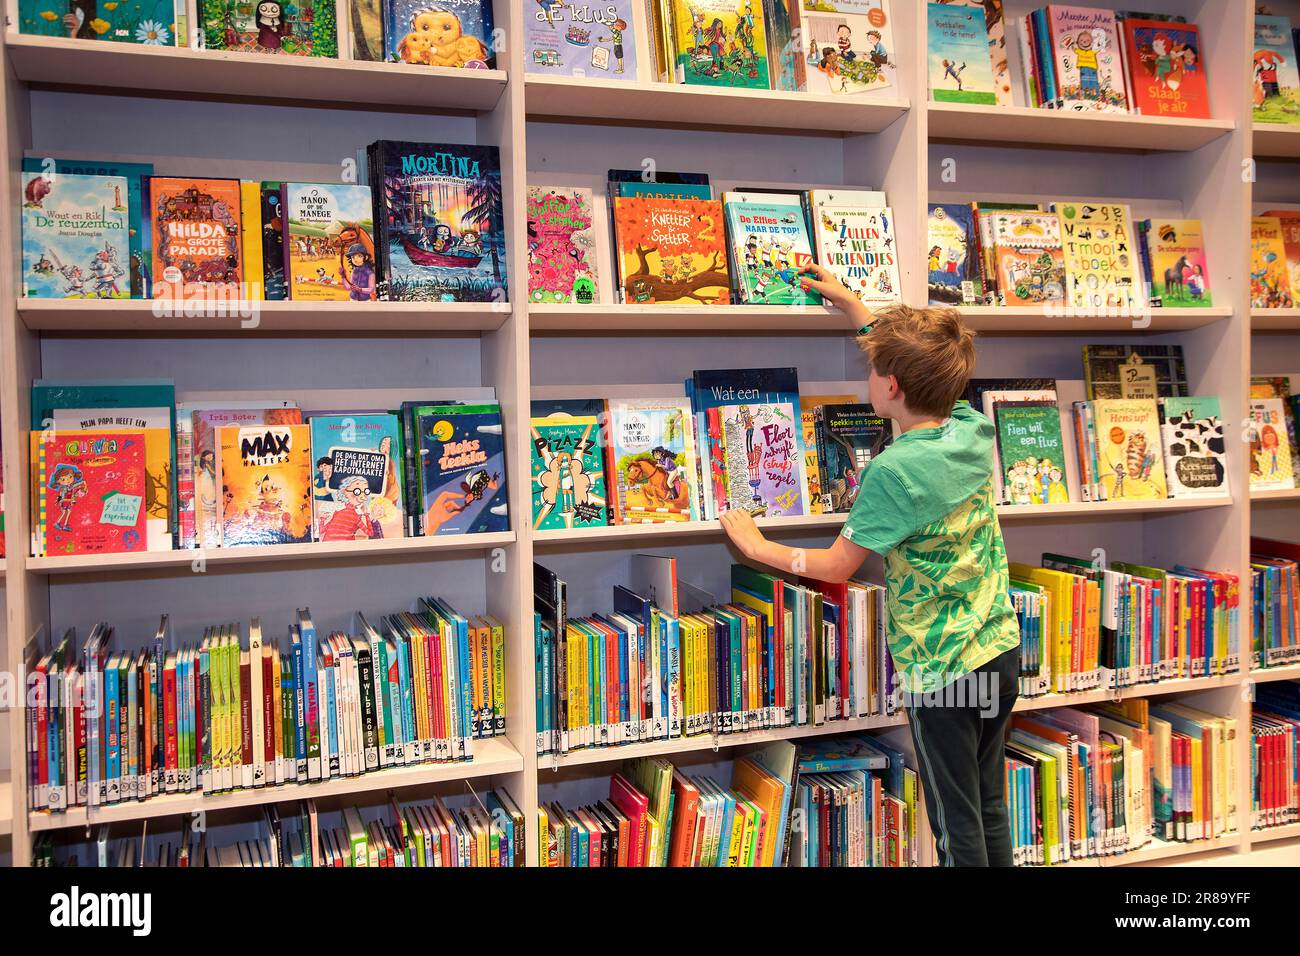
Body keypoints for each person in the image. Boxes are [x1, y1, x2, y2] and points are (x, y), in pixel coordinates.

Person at [720, 264, 1021, 866]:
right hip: (999, 649)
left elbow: (835, 565)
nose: (868, 373)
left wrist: (757, 547)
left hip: (942, 675)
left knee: (951, 817)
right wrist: (858, 307)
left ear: (889, 388)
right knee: (986, 800)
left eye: (872, 367)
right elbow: (923, 370)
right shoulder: (971, 429)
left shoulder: (892, 473)